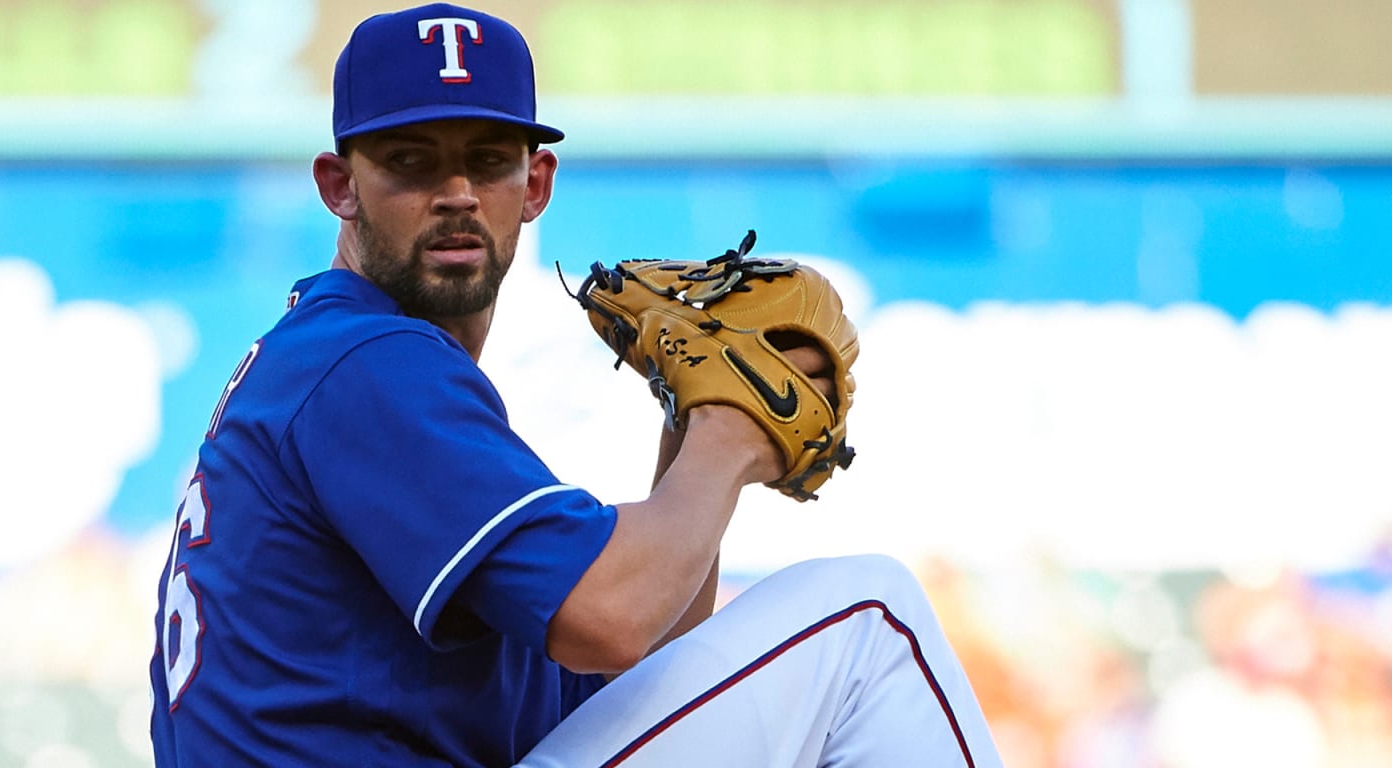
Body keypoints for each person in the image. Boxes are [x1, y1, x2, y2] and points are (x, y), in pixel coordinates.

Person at [148, 4, 1004, 767]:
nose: (455, 194)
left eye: (487, 162)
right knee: (868, 617)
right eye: (411, 161)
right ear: (341, 187)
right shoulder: (364, 362)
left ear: (535, 186)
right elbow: (614, 615)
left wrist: (690, 421)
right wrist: (734, 430)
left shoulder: (329, 372)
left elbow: (648, 660)